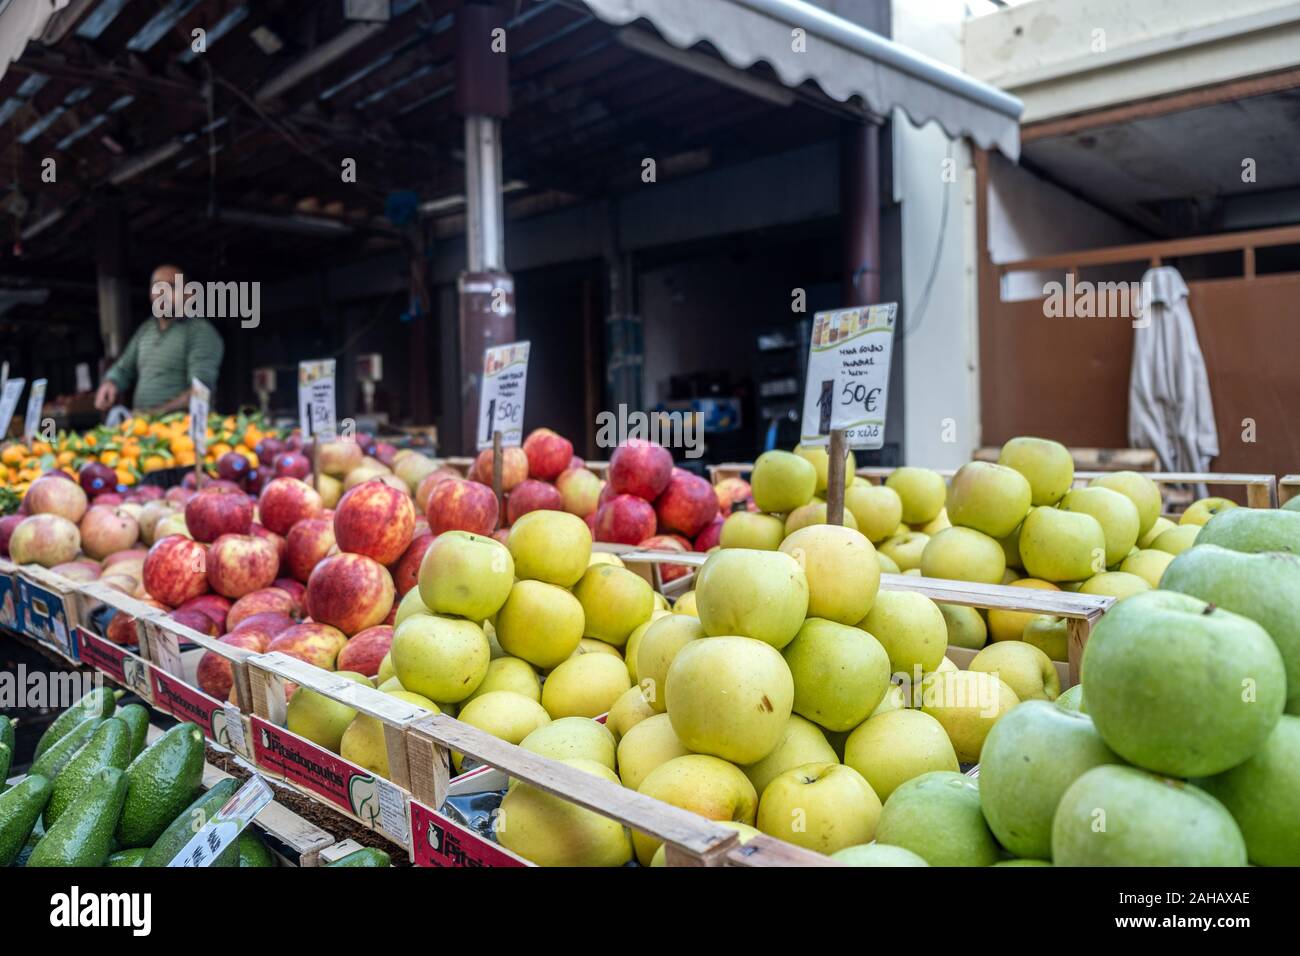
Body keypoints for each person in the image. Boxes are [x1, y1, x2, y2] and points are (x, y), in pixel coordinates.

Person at [94, 264, 225, 413]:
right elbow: (123, 369)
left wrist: (154, 413)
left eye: (171, 287)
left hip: (181, 431)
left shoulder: (200, 332)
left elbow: (200, 392)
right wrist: (110, 383)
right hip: (144, 428)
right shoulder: (146, 330)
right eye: (157, 287)